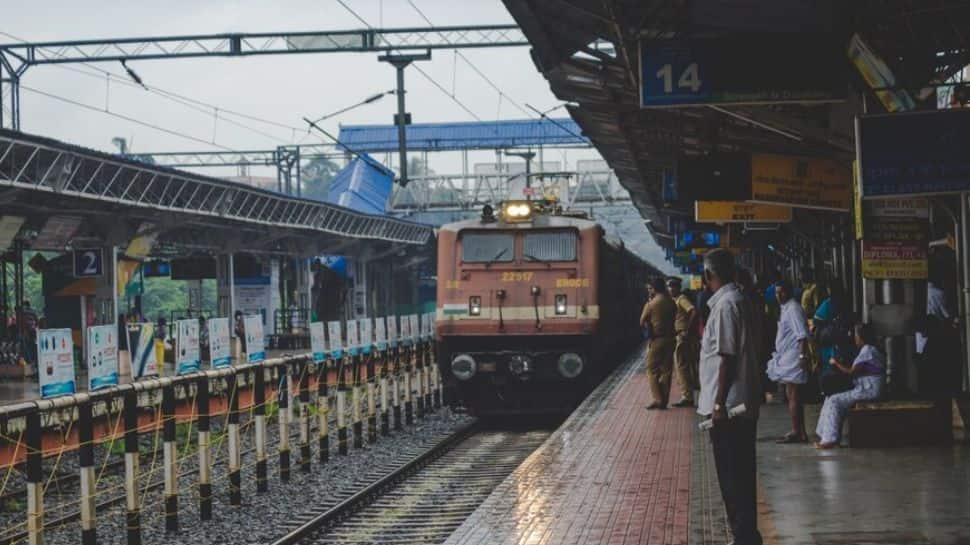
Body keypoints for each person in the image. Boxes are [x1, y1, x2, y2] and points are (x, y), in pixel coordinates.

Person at [698, 248, 762, 545]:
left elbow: (727, 357)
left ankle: (743, 537)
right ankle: (748, 535)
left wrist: (719, 404)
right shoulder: (740, 300)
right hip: (742, 402)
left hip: (730, 407)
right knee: (742, 473)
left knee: (732, 475)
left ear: (709, 275)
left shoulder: (726, 306)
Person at [815, 323, 885, 449]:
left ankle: (830, 439)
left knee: (835, 401)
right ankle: (825, 435)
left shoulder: (868, 350)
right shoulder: (870, 349)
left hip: (869, 389)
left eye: (856, 335)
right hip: (866, 387)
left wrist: (836, 363)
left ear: (861, 337)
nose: (854, 338)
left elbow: (851, 372)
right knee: (831, 397)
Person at [767, 279, 810, 443]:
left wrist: (802, 356)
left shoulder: (793, 309)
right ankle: (801, 432)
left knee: (792, 394)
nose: (779, 295)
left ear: (789, 291)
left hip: (794, 356)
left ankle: (796, 431)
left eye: (782, 292)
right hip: (787, 356)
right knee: (794, 395)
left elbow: (802, 335)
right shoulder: (785, 308)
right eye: (777, 292)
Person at [640, 277, 677, 409]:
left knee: (652, 369)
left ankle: (658, 399)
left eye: (650, 288)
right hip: (670, 339)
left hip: (657, 340)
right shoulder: (672, 302)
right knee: (666, 370)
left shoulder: (651, 304)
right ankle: (664, 400)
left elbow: (642, 321)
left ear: (654, 288)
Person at [813, 283, 852, 396]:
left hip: (830, 342)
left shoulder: (828, 303)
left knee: (830, 367)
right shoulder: (846, 303)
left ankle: (829, 392)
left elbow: (816, 320)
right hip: (841, 341)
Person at [667, 277, 698, 407]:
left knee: (681, 366)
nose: (670, 289)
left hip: (682, 335)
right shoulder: (675, 300)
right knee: (684, 365)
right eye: (669, 286)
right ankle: (688, 393)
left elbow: (693, 311)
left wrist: (687, 330)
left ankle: (687, 396)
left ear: (678, 287)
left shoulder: (681, 299)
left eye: (673, 286)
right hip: (680, 336)